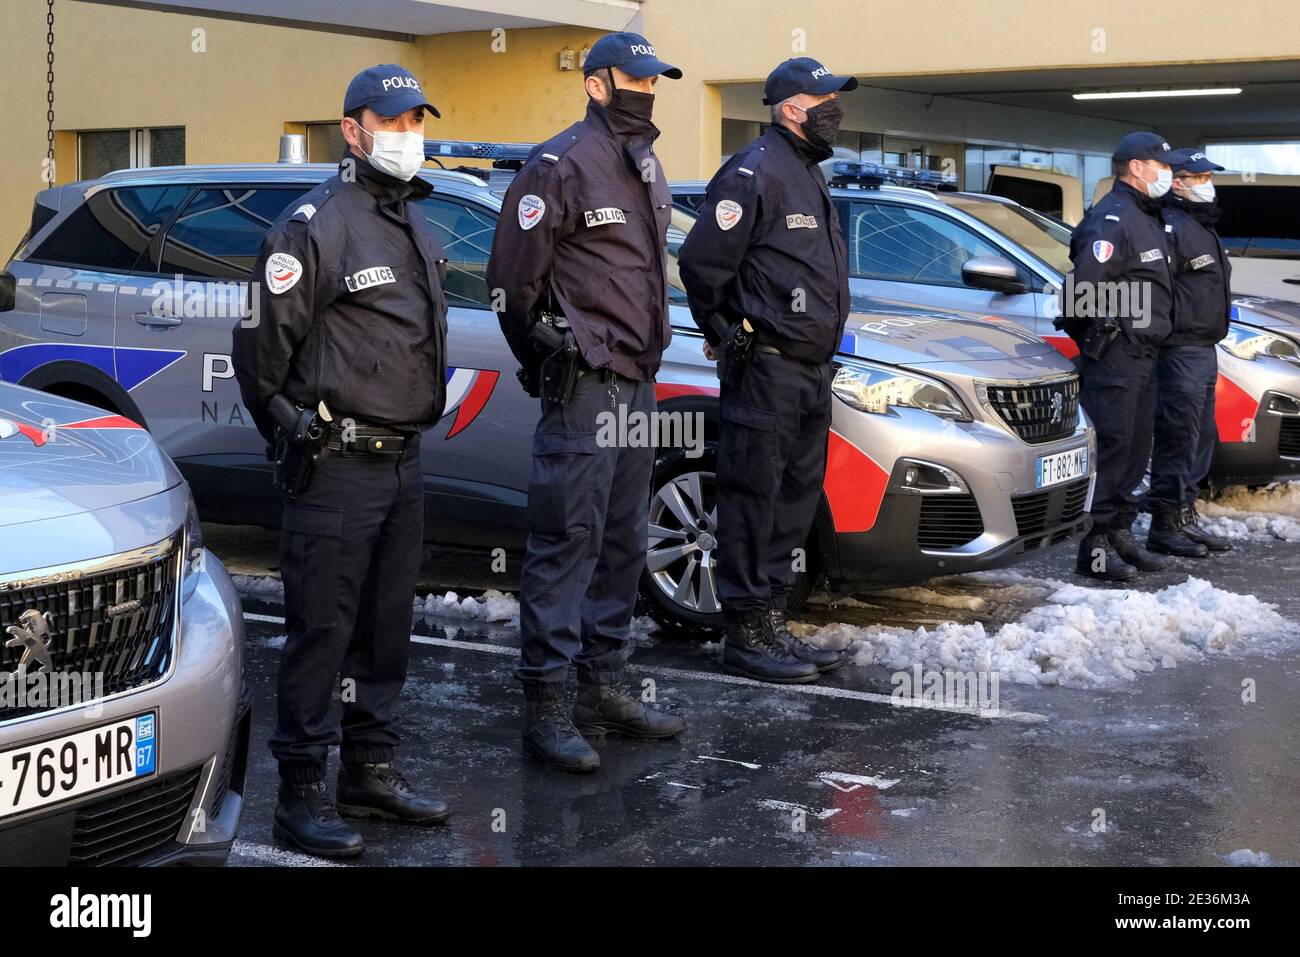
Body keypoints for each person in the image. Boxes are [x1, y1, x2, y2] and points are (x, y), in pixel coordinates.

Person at [233, 64, 451, 857]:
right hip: (337, 464)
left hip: (403, 463)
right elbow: (259, 353)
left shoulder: (411, 222)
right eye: (390, 121)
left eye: (414, 120)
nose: (406, 134)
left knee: (386, 627)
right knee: (322, 629)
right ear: (351, 131)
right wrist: (292, 435)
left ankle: (371, 767)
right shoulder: (312, 225)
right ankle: (301, 791)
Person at [486, 33, 687, 774]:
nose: (647, 88)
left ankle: (604, 683)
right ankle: (547, 704)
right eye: (634, 78)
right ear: (597, 83)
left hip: (638, 381)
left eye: (654, 78)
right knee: (567, 539)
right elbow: (511, 283)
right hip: (586, 387)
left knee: (623, 536)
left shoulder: (644, 162)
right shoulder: (559, 164)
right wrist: (551, 353)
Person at [678, 57, 855, 682]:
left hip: (811, 371)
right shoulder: (755, 172)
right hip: (768, 370)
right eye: (824, 98)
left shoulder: (808, 173)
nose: (835, 107)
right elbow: (702, 265)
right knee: (754, 497)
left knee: (793, 499)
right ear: (790, 108)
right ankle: (746, 630)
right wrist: (729, 333)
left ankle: (773, 622)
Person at [1066, 131, 1178, 581]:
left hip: (1145, 356)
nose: (1167, 175)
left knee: (1134, 450)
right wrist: (1110, 336)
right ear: (1137, 168)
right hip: (1118, 357)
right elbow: (1083, 293)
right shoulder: (1113, 219)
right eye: (1162, 166)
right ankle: (1093, 550)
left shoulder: (1145, 216)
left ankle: (1119, 534)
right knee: (1113, 450)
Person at [1146, 149, 1234, 555]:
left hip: (1204, 348)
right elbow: (1158, 291)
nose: (1206, 184)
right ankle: (1164, 525)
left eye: (1207, 177)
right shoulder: (1170, 226)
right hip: (1180, 350)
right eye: (1198, 177)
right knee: (1178, 437)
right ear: (1177, 182)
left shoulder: (1201, 225)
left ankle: (1183, 515)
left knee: (1201, 438)